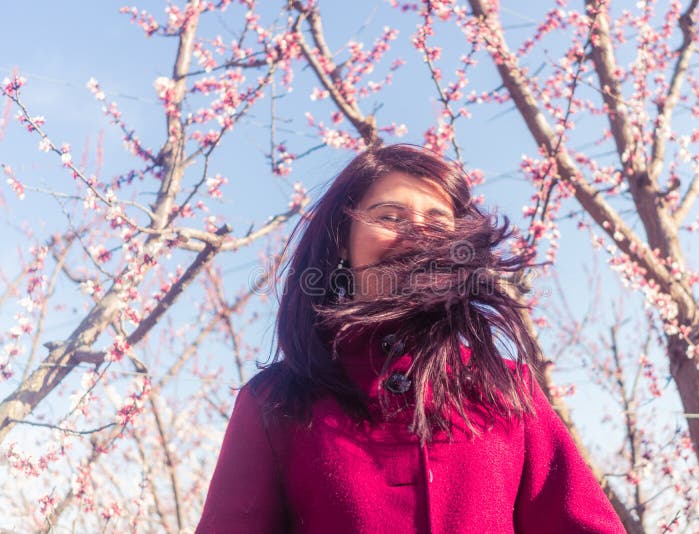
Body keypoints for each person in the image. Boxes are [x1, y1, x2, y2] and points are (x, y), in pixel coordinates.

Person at [196, 144, 625, 533]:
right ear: (342, 242)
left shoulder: (507, 389)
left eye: (437, 221)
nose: (416, 234)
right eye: (389, 217)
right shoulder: (275, 402)